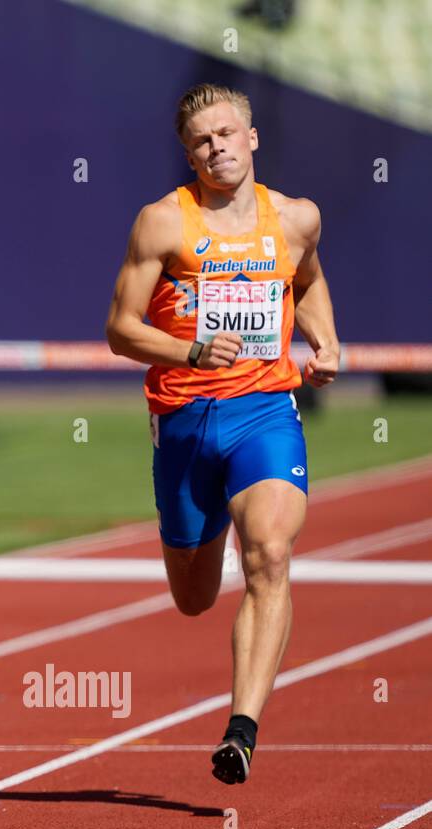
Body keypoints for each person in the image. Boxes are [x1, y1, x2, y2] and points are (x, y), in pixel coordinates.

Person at [106, 83, 339, 784]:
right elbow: (120, 329)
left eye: (228, 133)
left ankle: (242, 727)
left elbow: (309, 278)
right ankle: (191, 543)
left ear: (252, 137)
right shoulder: (163, 224)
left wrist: (324, 342)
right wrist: (191, 351)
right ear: (189, 154)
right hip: (183, 417)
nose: (218, 147)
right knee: (194, 596)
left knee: (269, 552)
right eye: (204, 140)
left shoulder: (296, 219)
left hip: (264, 411)